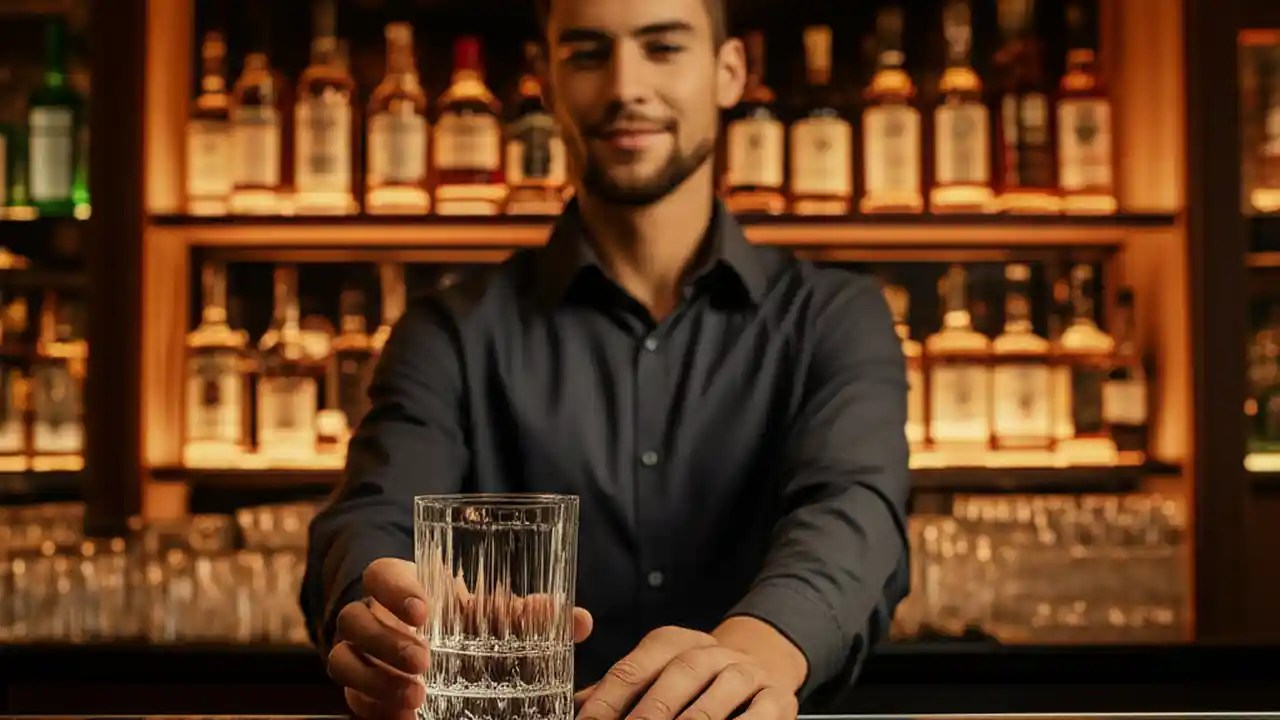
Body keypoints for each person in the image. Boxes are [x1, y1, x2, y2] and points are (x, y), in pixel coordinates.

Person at [301, 0, 911, 717]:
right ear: (545, 78)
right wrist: (381, 616)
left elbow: (852, 513)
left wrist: (749, 661)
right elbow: (373, 514)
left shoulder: (834, 317)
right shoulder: (450, 331)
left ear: (729, 72)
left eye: (663, 48)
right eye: (589, 53)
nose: (625, 87)